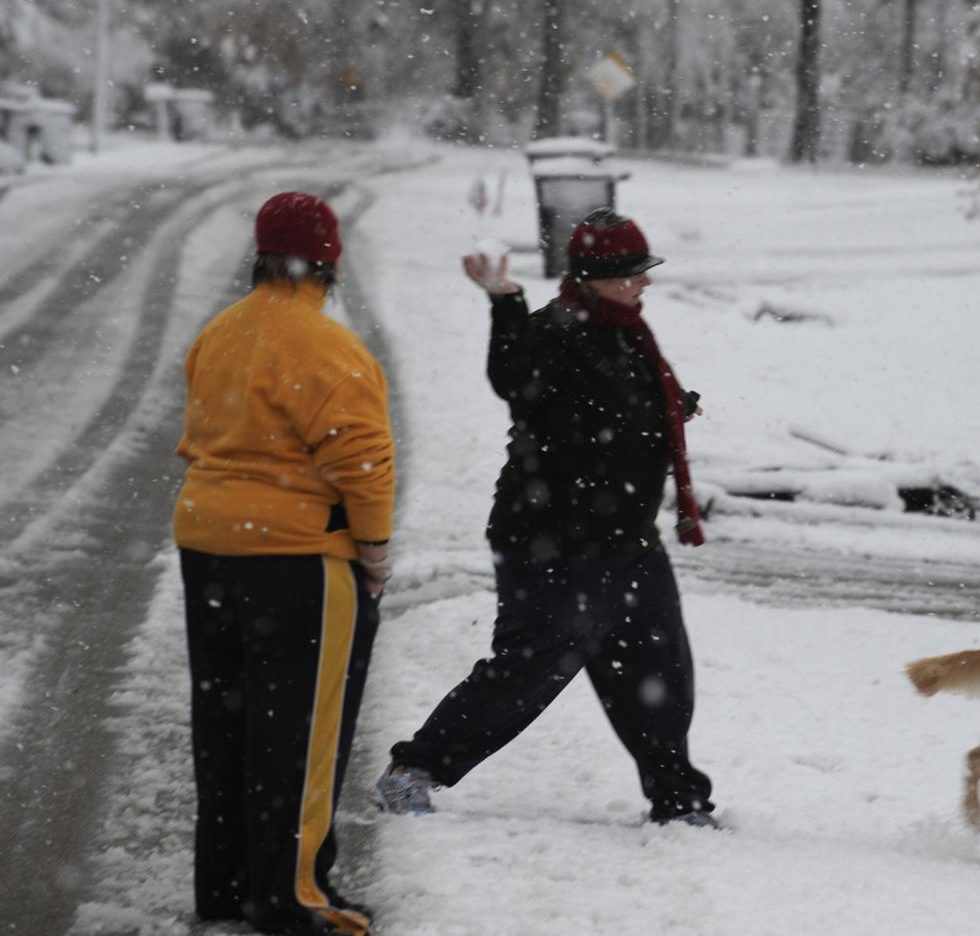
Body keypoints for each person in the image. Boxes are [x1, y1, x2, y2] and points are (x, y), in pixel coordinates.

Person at [376, 208, 716, 826]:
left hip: (628, 540)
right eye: (634, 273)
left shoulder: (625, 331)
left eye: (646, 271)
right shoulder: (554, 330)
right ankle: (414, 771)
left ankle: (679, 801)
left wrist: (667, 413)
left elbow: (627, 405)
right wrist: (505, 300)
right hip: (551, 541)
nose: (645, 284)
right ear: (595, 277)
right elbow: (513, 377)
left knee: (660, 672)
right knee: (529, 670)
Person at [174, 192, 394, 936]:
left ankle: (229, 884)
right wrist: (373, 549)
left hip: (208, 546)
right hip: (296, 558)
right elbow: (363, 460)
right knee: (298, 731)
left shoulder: (220, 332)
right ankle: (291, 895)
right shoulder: (327, 346)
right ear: (328, 261)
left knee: (225, 717)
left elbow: (202, 427)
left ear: (260, 255)